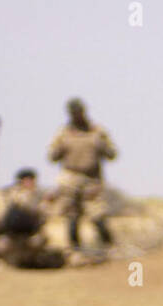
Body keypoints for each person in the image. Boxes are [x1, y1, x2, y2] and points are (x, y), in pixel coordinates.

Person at [48, 98, 117, 252]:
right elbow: (52, 156)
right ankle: (75, 250)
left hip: (91, 178)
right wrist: (60, 148)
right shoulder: (63, 132)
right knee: (72, 216)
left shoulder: (97, 131)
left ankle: (109, 247)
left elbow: (112, 153)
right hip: (70, 177)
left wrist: (102, 147)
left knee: (97, 214)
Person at [0, 169, 64, 269]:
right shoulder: (7, 196)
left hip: (28, 238)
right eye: (27, 180)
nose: (30, 183)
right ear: (20, 181)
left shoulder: (38, 197)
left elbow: (45, 217)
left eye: (32, 180)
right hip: (9, 238)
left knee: (38, 243)